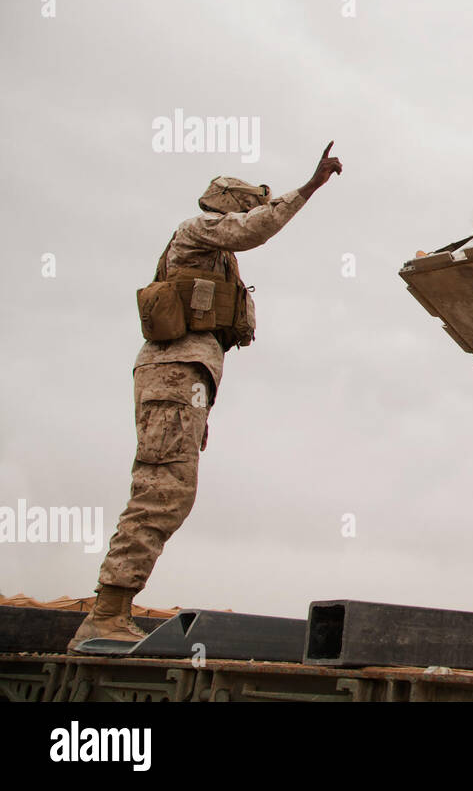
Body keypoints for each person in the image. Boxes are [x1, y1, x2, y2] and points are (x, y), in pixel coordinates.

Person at [68, 143, 343, 653]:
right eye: (247, 208)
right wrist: (308, 187)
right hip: (173, 375)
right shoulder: (198, 232)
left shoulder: (214, 255)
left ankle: (112, 610)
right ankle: (106, 614)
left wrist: (200, 405)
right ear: (230, 208)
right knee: (163, 488)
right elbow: (254, 229)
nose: (250, 216)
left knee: (170, 486)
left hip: (183, 380)